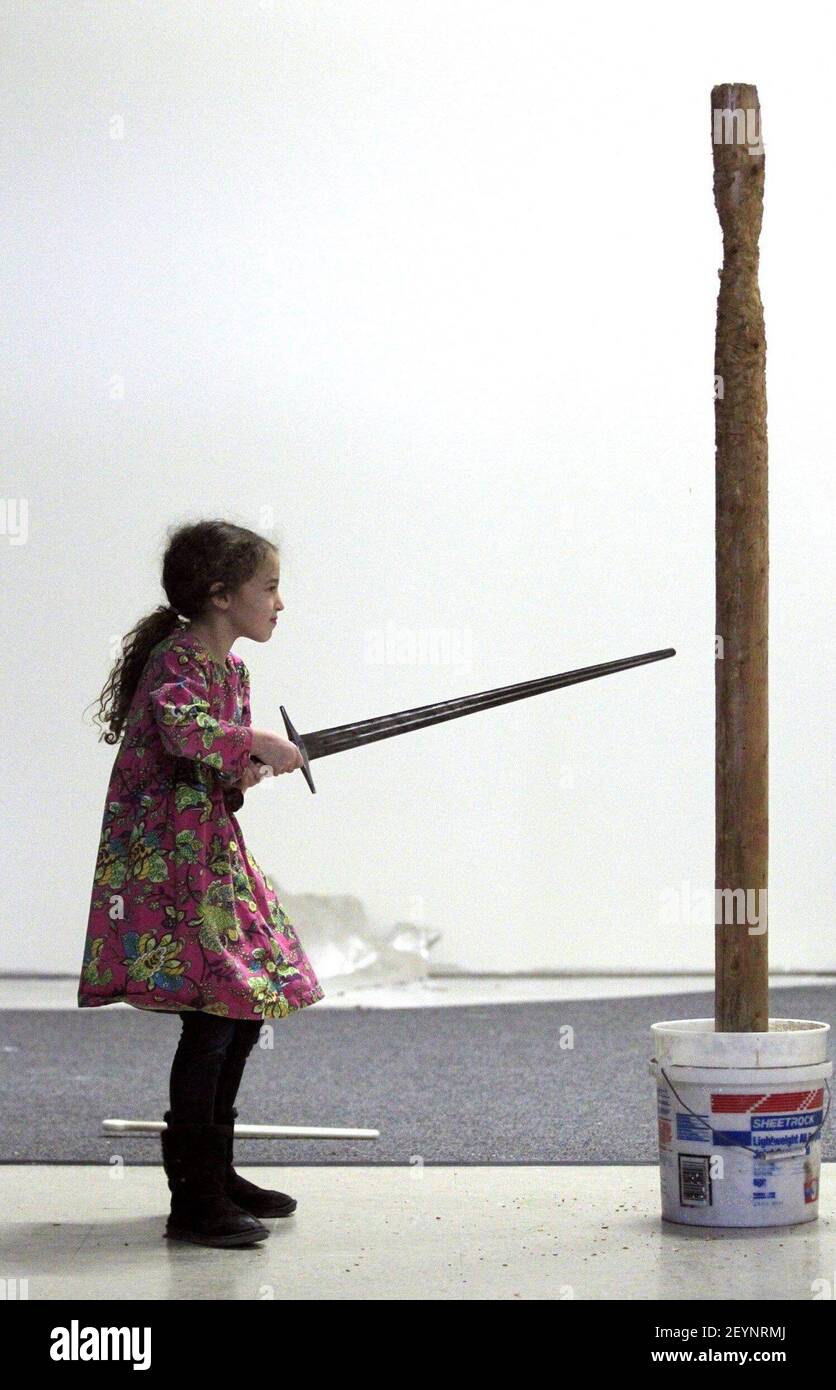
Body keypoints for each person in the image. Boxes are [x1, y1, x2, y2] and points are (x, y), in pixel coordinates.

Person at [79, 518, 324, 1248]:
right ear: (221, 595)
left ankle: (214, 1172)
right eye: (270, 587)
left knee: (243, 1004)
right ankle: (194, 1198)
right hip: (168, 866)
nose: (280, 603)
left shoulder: (233, 672)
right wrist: (256, 743)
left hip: (207, 851)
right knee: (216, 1013)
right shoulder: (178, 658)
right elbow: (186, 731)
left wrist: (245, 772)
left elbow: (208, 770)